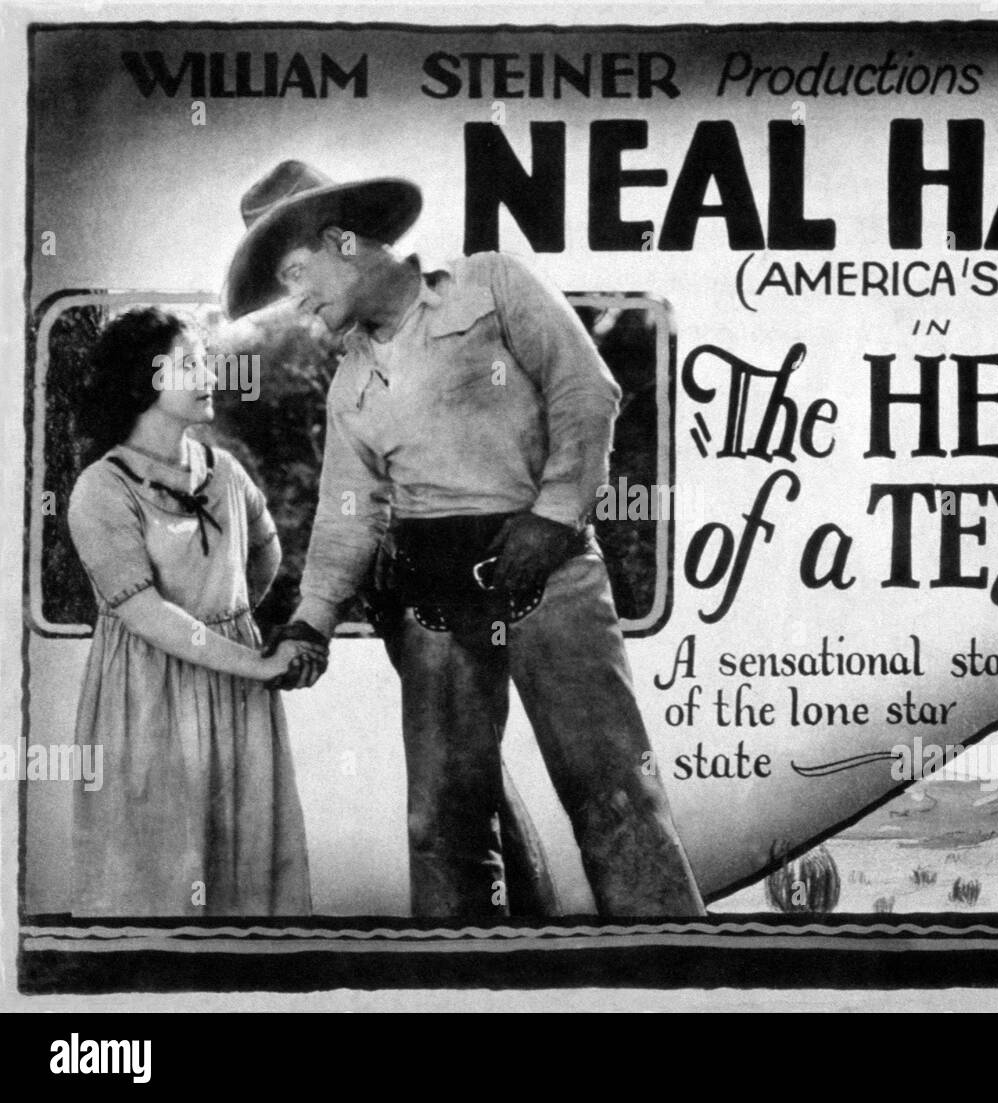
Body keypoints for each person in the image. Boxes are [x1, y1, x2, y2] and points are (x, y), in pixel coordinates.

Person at [227, 160, 706, 917]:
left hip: (551, 577)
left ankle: (679, 986)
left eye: (295, 273)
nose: (297, 301)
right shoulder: (351, 382)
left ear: (341, 241)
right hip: (435, 604)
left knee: (614, 797)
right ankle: (457, 991)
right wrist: (311, 619)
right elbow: (348, 512)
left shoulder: (492, 283)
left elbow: (587, 390)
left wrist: (552, 517)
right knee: (442, 824)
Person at [67, 307, 313, 916]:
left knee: (246, 871)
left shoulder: (223, 469)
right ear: (140, 382)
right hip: (150, 694)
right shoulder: (102, 488)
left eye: (206, 359)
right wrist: (247, 656)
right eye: (189, 363)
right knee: (159, 874)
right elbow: (146, 614)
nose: (208, 373)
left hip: (232, 687)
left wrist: (223, 633)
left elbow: (266, 553)